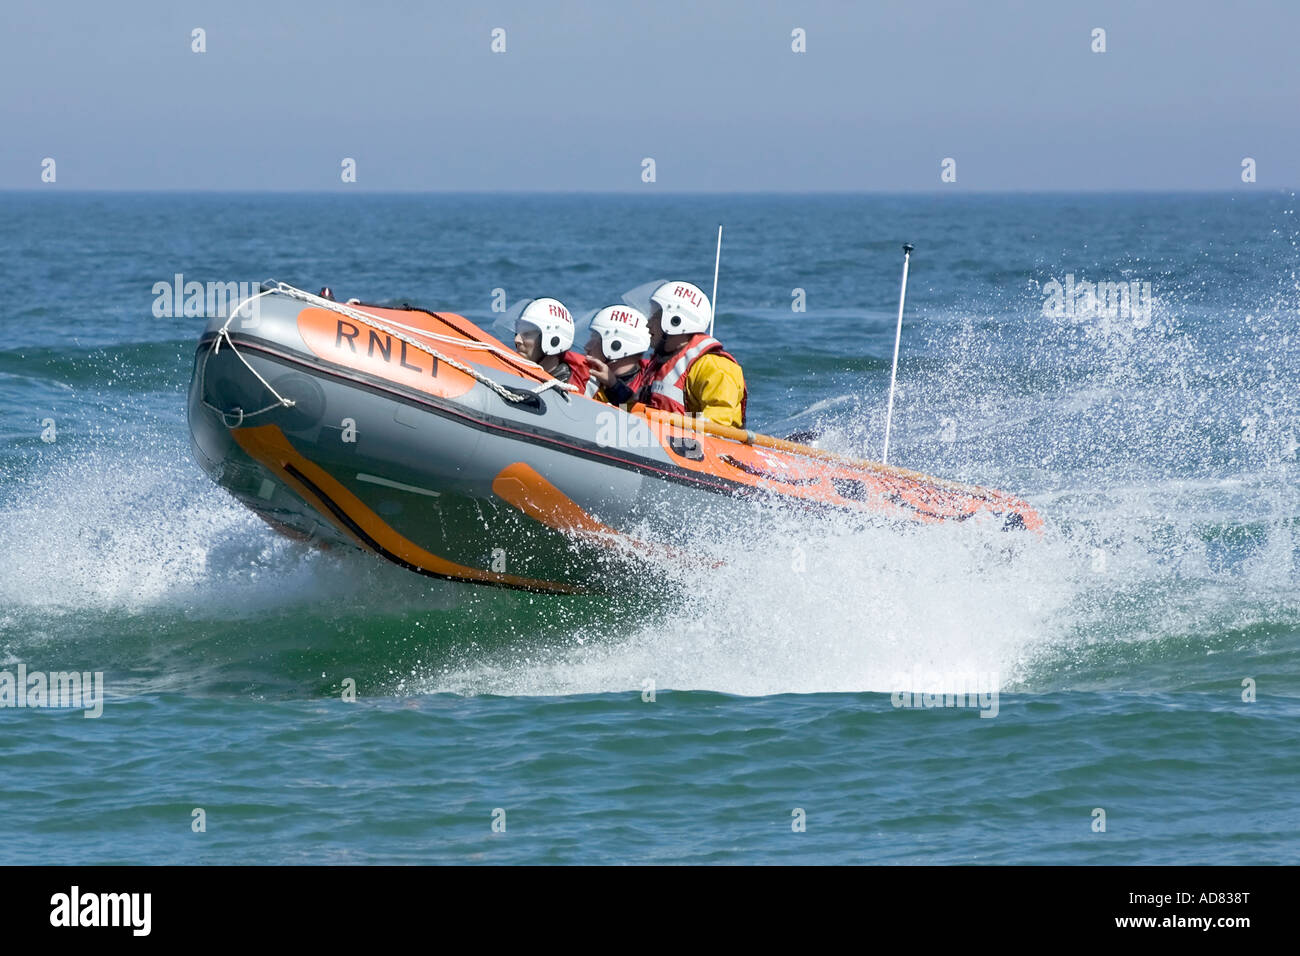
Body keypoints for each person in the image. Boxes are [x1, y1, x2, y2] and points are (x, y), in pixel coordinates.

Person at [592, 281, 746, 427]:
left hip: (689, 449)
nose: (648, 323)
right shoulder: (661, 364)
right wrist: (612, 387)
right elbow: (637, 411)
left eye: (655, 317)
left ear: (676, 321)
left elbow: (718, 426)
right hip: (656, 442)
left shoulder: (715, 367)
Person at [512, 297, 590, 393]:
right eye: (518, 331)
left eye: (527, 333)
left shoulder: (569, 392)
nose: (517, 340)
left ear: (554, 342)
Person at [582, 304, 651, 403]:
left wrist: (614, 387)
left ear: (616, 347)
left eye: (595, 339)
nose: (587, 346)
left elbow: (633, 415)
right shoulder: (582, 374)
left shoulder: (648, 388)